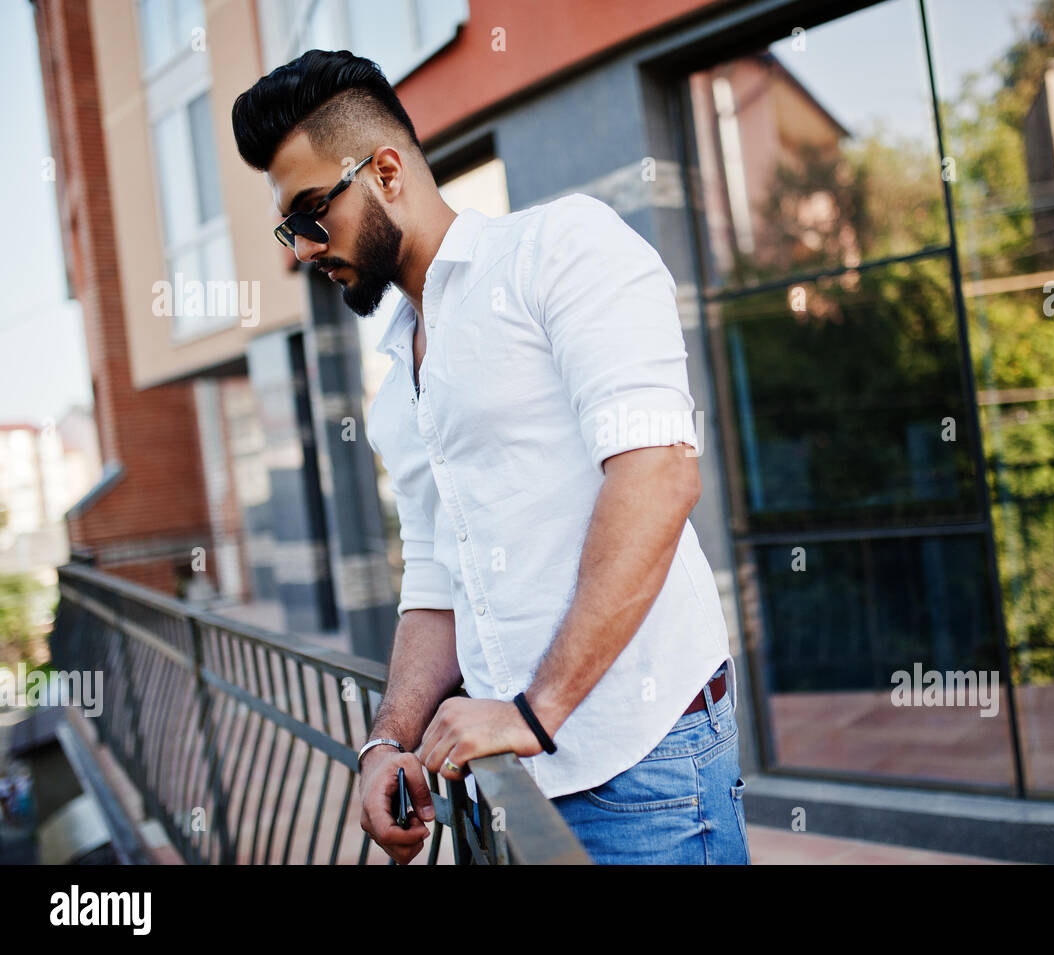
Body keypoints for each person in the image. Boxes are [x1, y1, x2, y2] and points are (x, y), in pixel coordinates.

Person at [232, 51, 748, 864]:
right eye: (289, 228)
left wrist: (533, 711)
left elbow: (659, 473)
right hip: (505, 783)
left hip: (644, 763)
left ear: (387, 170)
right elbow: (436, 573)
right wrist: (387, 741)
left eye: (310, 213)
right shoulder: (396, 384)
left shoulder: (560, 249)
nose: (302, 248)